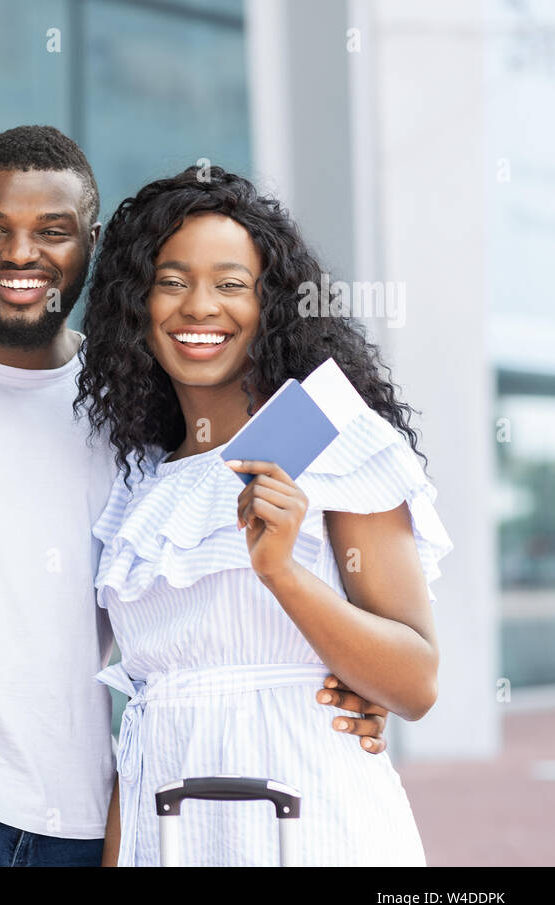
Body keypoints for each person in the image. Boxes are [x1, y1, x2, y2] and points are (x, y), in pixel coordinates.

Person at [0, 127, 388, 867]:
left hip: (83, 809)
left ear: (90, 244)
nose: (20, 254)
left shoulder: (138, 400)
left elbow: (198, 582)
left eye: (51, 231)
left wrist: (349, 678)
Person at [76, 165, 454, 866]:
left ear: (270, 304)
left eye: (230, 283)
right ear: (135, 303)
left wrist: (282, 573)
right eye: (170, 280)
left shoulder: (334, 448)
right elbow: (150, 710)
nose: (199, 306)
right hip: (170, 832)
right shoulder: (140, 484)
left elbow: (415, 682)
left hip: (311, 827)